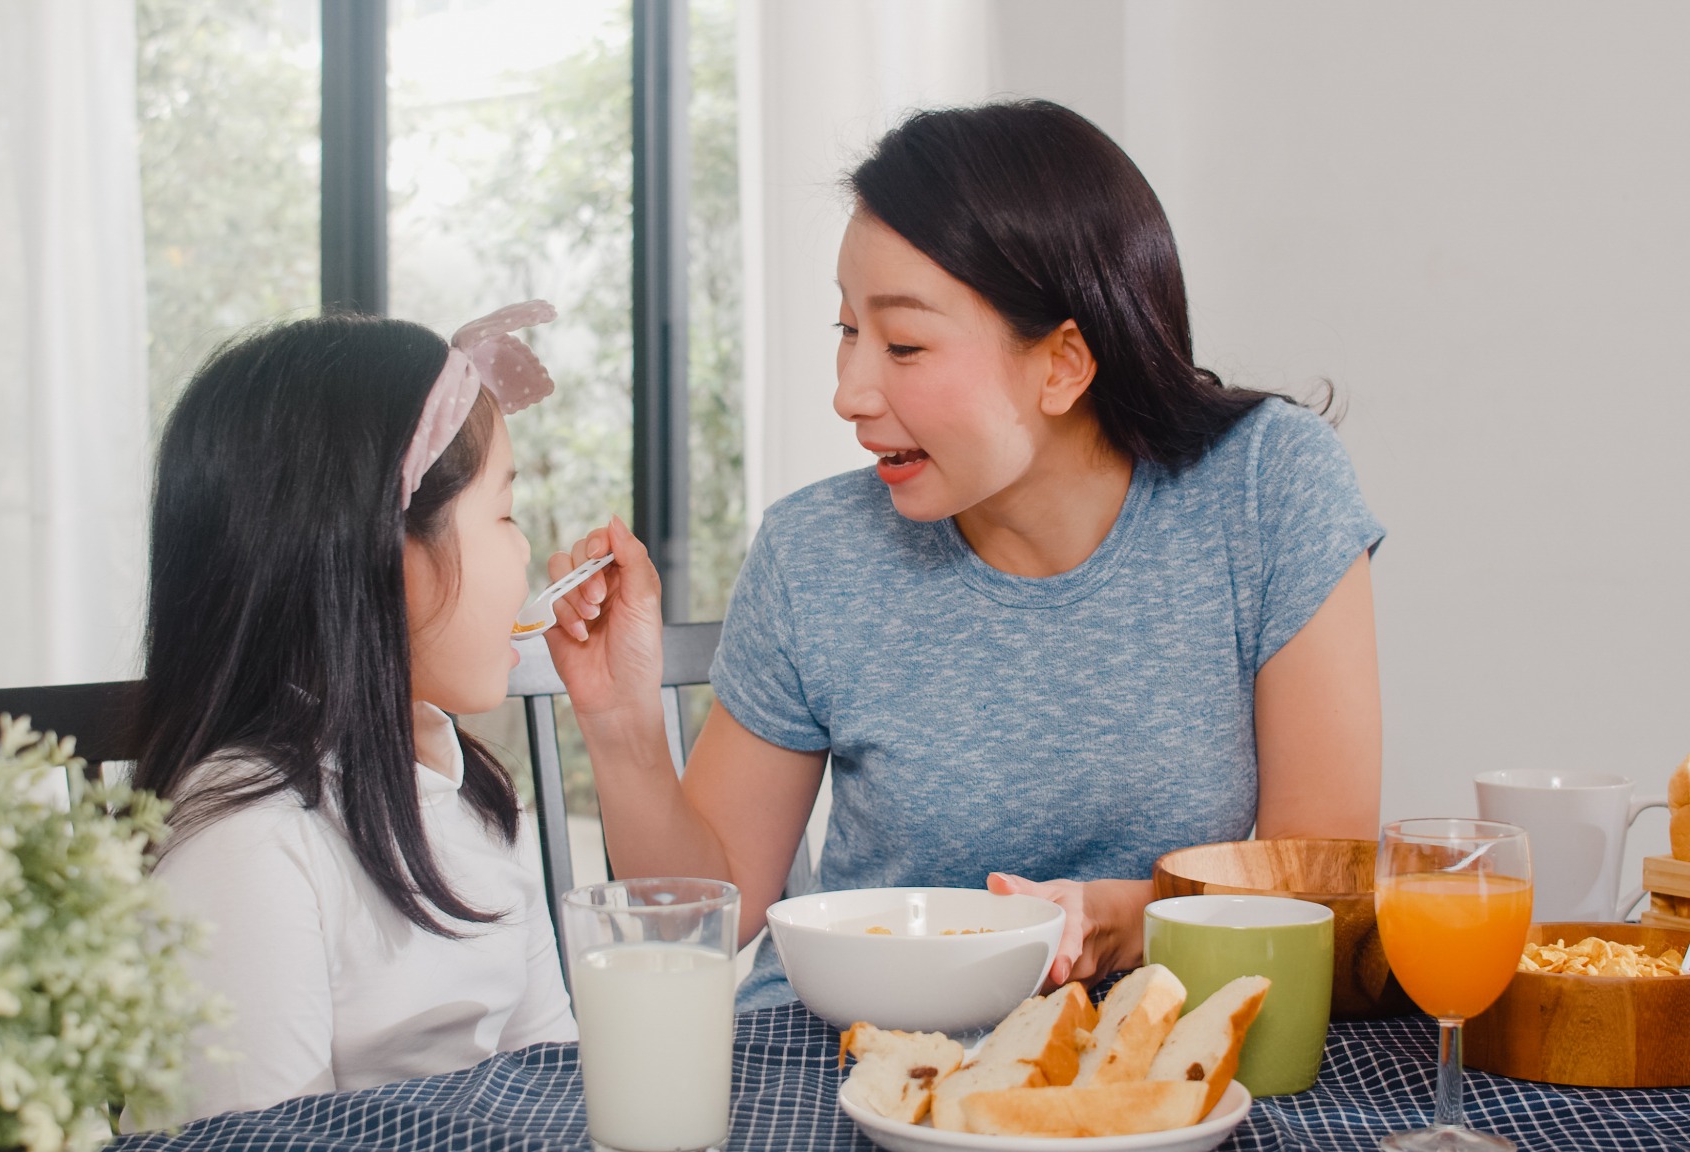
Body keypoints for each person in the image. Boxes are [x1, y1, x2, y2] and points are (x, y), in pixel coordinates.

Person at [544, 100, 1384, 1010]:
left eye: (903, 343)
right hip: (835, 1051)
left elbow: (1321, 882)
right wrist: (620, 723)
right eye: (847, 332)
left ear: (1063, 363)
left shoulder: (1268, 486)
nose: (849, 393)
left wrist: (1134, 918)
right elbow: (716, 913)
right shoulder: (813, 551)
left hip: (1163, 1048)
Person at [128, 303, 576, 1124]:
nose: (525, 552)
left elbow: (551, 1077)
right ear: (376, 549)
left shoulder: (469, 788)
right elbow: (246, 1143)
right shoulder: (250, 842)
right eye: (504, 514)